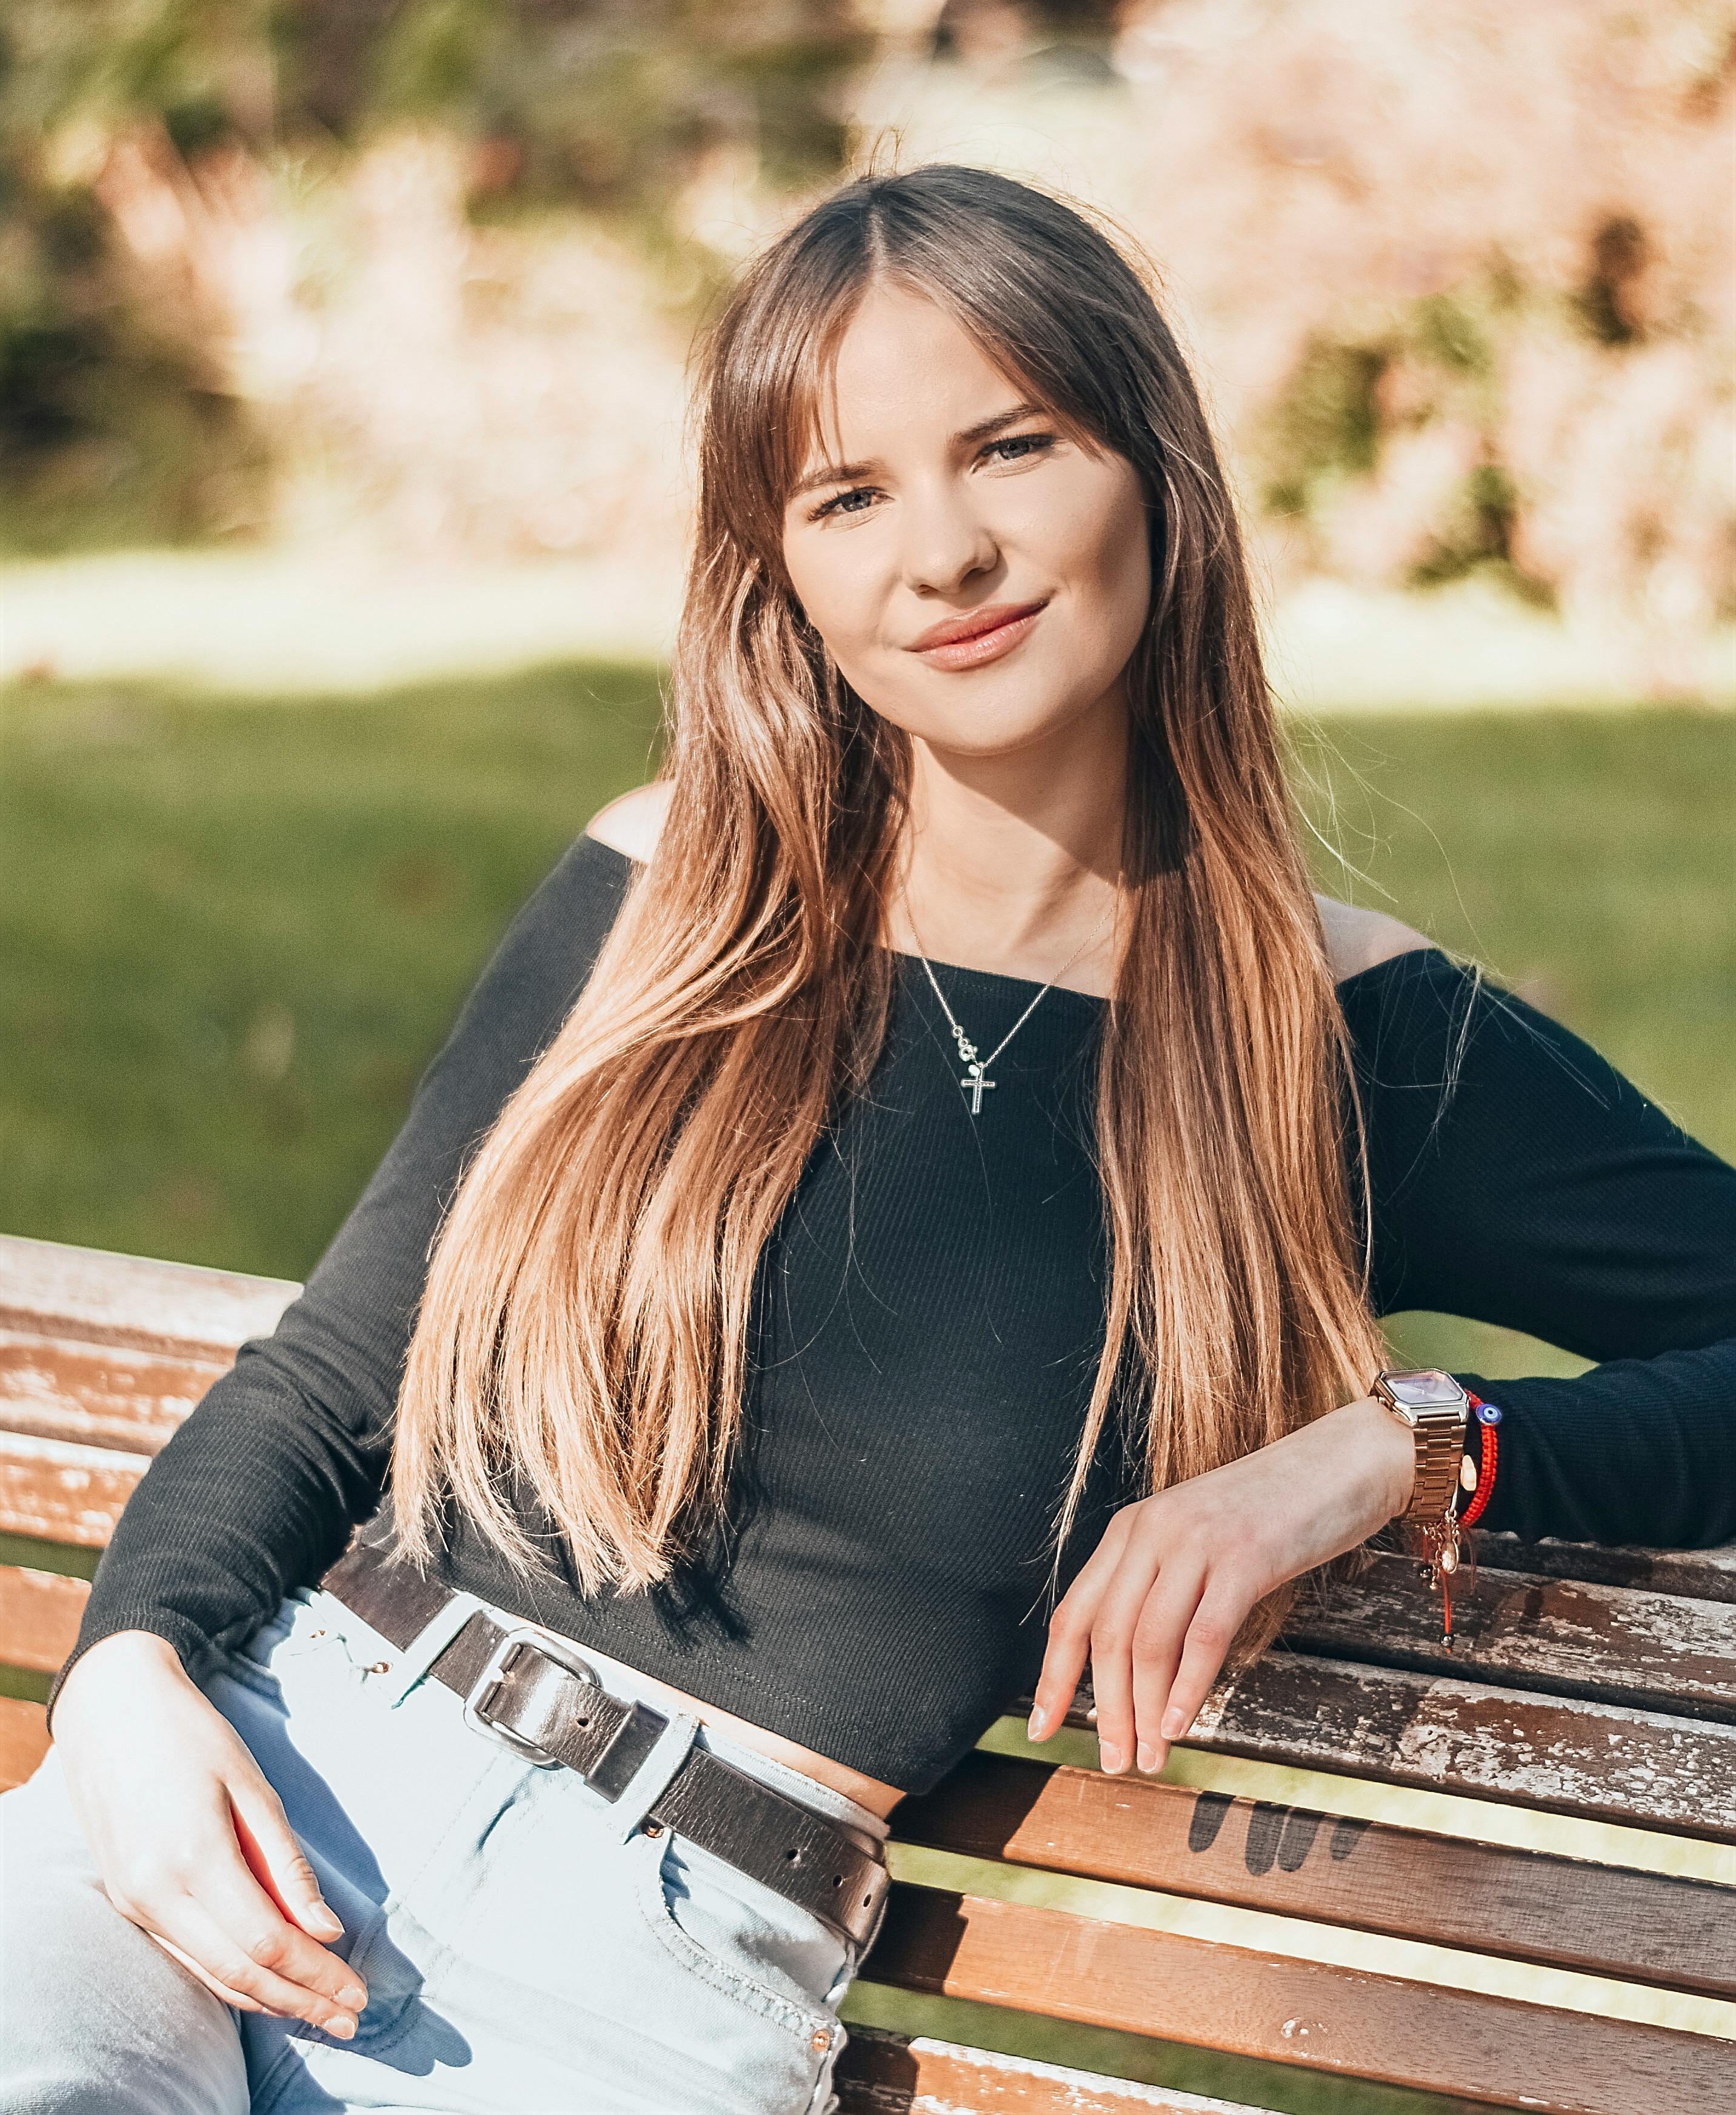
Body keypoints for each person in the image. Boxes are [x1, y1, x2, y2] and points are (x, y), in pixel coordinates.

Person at [4, 166, 1733, 2115]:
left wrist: (1388, 1444)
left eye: (1012, 447)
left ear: (1151, 470)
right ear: (788, 572)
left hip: (645, 1989)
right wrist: (133, 1673)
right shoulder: (668, 882)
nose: (946, 554)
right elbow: (339, 1366)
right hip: (243, 1783)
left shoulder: (1346, 1044)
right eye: (850, 495)